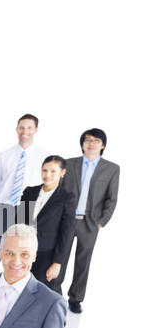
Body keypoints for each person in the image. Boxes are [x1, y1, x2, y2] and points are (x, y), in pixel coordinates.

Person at [60, 128, 119, 313]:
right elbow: (59, 190)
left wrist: (101, 221)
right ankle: (53, 294)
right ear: (82, 144)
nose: (91, 143)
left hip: (90, 222)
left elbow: (112, 198)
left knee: (83, 262)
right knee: (59, 257)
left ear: (103, 145)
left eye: (96, 140)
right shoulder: (69, 164)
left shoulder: (111, 169)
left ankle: (75, 298)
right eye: (87, 140)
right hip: (67, 220)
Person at [0, 114, 49, 276]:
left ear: (36, 130)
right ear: (17, 129)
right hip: (5, 207)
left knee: (24, 253)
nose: (25, 131)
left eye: (29, 127)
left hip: (28, 209)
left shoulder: (44, 157)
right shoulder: (4, 155)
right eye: (22, 127)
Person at [20, 156, 76, 293]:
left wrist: (57, 263)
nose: (47, 175)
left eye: (53, 171)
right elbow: (19, 222)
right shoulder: (29, 192)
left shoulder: (67, 197)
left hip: (47, 253)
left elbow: (66, 233)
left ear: (62, 173)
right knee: (20, 288)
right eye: (44, 170)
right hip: (24, 250)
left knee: (41, 292)